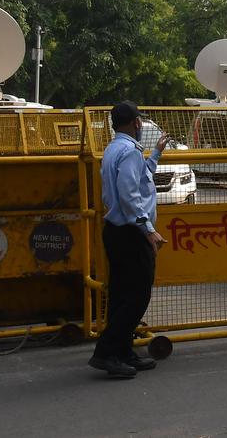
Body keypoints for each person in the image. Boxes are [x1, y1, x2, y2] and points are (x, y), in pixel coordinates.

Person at [89, 101, 169, 379]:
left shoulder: (116, 149)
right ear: (136, 123)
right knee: (137, 295)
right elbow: (130, 196)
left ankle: (122, 351)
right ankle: (106, 352)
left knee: (122, 295)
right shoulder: (130, 152)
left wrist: (156, 153)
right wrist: (149, 231)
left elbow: (140, 180)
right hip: (131, 234)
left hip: (117, 231)